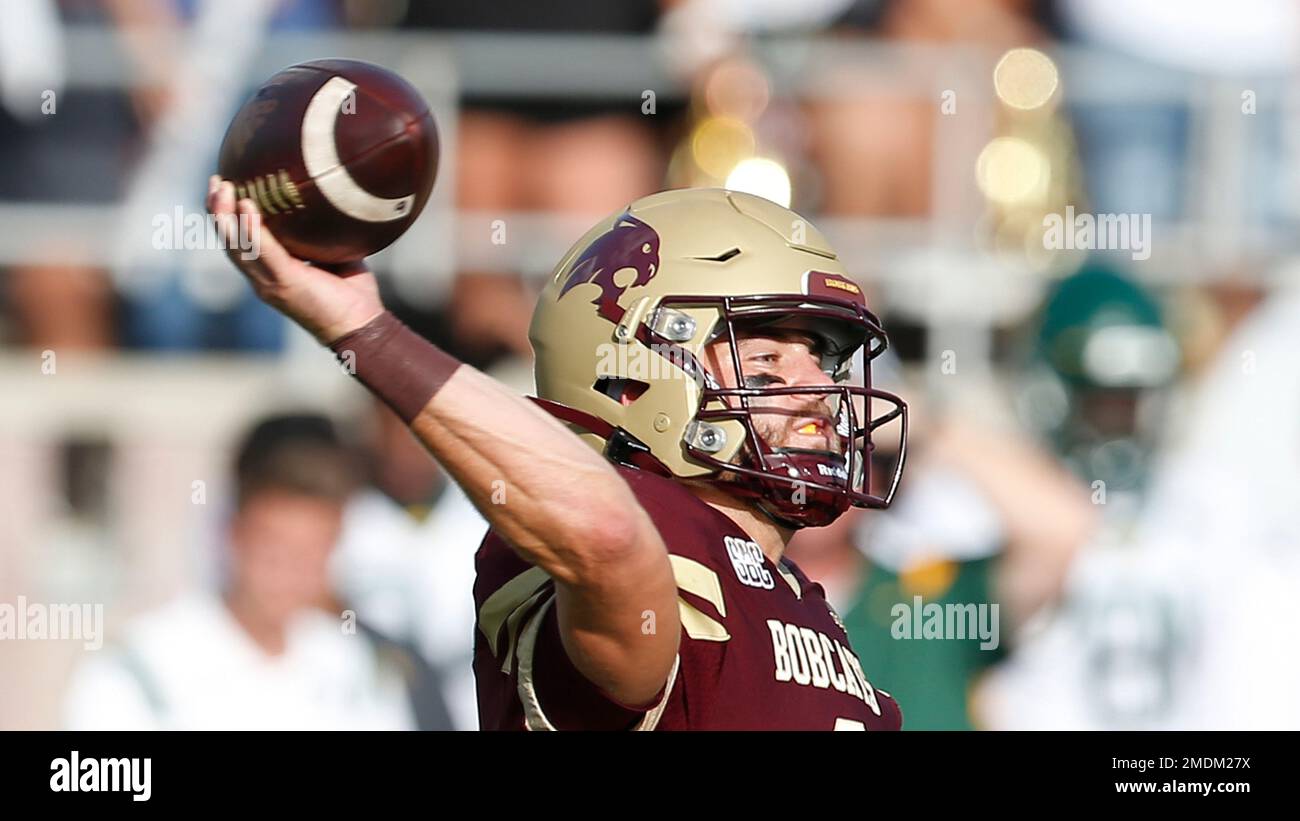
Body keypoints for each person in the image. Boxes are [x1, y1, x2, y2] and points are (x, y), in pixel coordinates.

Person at [208, 180, 908, 730]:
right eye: (764, 359)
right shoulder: (637, 533)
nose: (817, 390)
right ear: (636, 372)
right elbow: (606, 534)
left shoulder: (798, 597)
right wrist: (366, 332)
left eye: (822, 359)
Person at [63, 413, 450, 730]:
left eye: (310, 555)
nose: (288, 576)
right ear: (233, 535)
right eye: (273, 551)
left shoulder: (362, 670)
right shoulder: (137, 670)